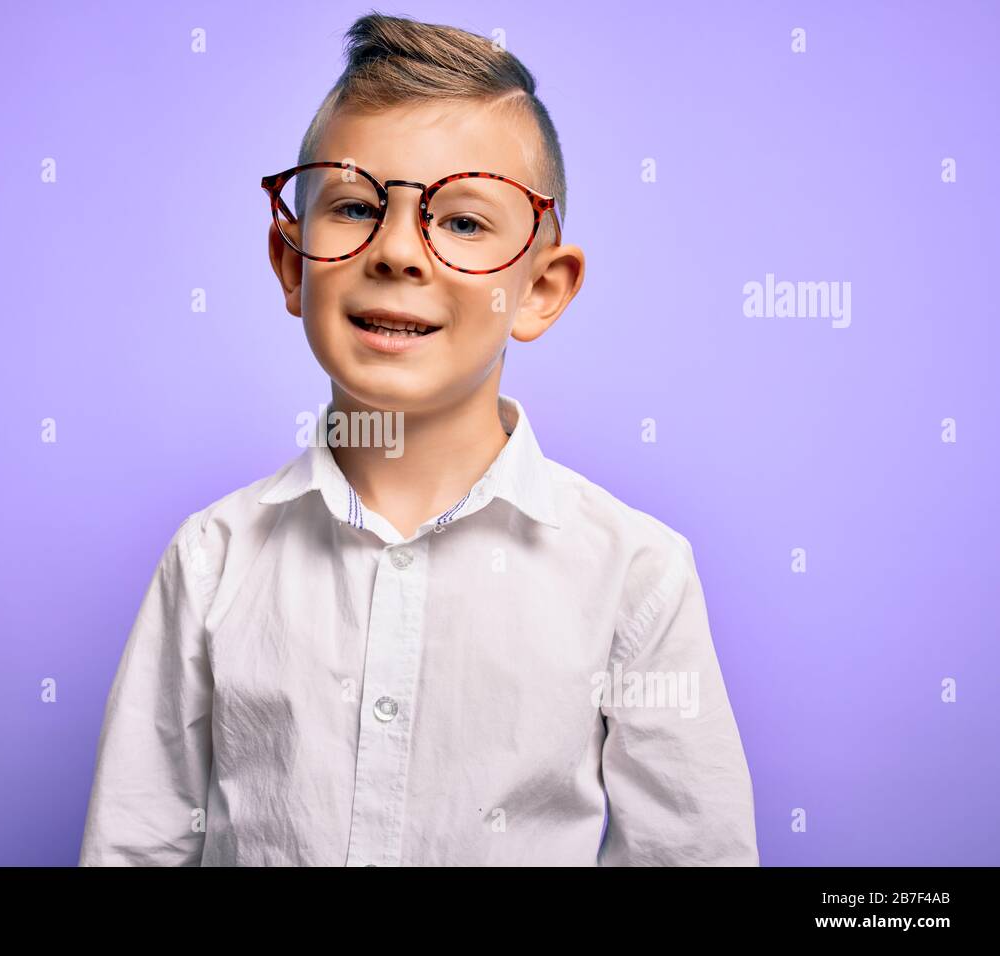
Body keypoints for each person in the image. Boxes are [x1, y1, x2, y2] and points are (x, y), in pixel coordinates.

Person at [79, 11, 758, 867]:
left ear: (543, 289)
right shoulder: (211, 560)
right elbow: (133, 846)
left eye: (464, 222)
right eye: (357, 206)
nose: (398, 251)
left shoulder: (635, 576)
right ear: (292, 265)